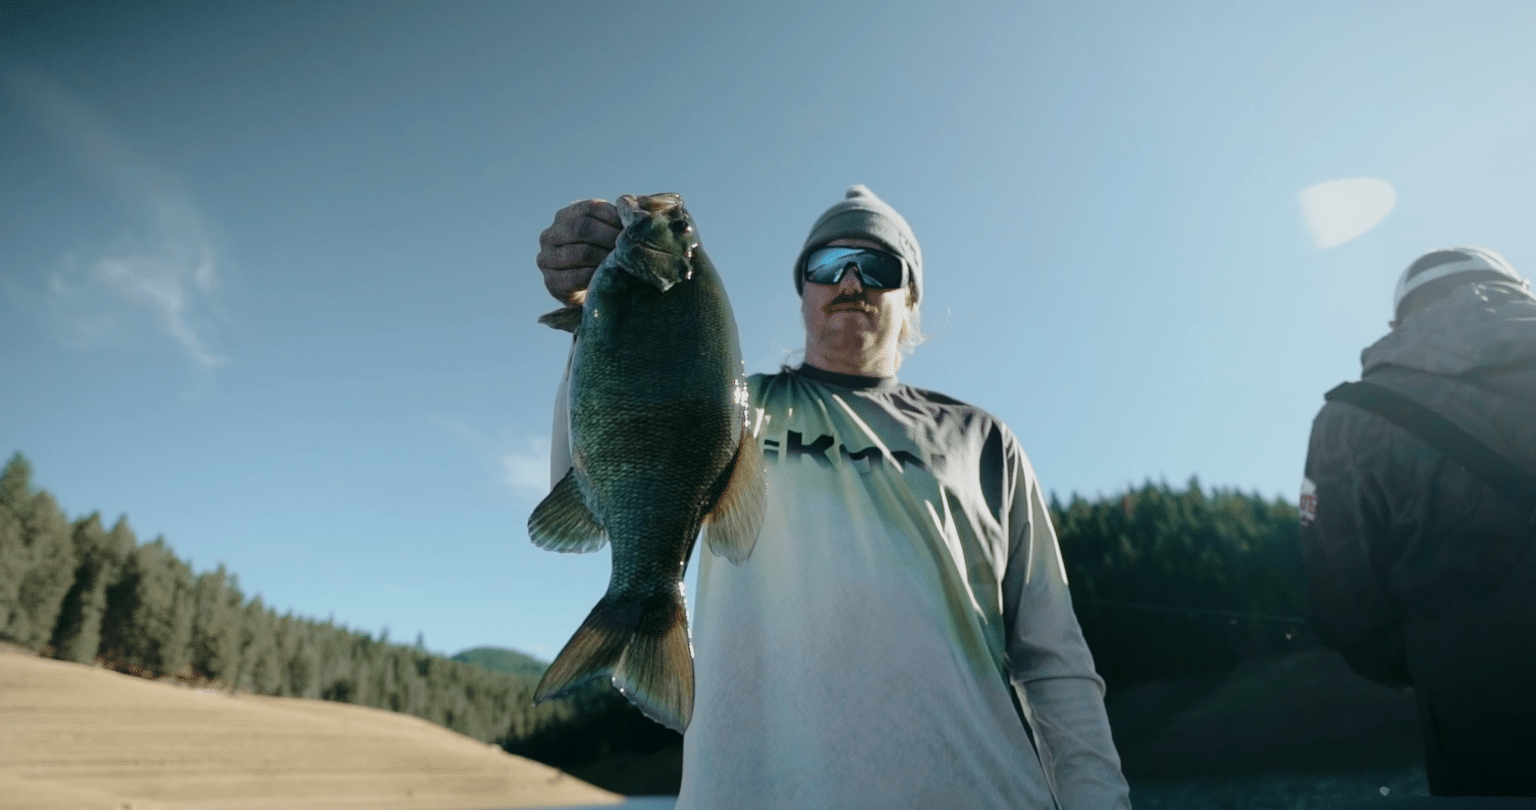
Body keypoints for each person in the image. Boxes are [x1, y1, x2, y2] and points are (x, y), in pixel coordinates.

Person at [536, 185, 1130, 808]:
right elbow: (586, 463)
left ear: (911, 298)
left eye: (878, 266)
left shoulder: (984, 441)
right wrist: (594, 311)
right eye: (827, 265)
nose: (851, 280)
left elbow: (1054, 661)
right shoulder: (731, 405)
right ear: (804, 294)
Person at [1299, 245, 1536, 797]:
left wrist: (1436, 660)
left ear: (1400, 322)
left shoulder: (1349, 417)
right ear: (1520, 291)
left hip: (1486, 716)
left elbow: (1344, 605)